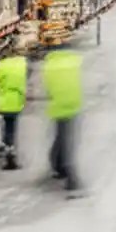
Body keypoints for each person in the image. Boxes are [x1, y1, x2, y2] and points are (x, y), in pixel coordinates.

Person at [43, 47, 85, 196]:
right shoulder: (73, 62)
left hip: (59, 107)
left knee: (62, 137)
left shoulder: (50, 66)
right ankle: (69, 175)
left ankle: (58, 166)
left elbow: (49, 88)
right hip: (73, 104)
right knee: (67, 140)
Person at [0, 44, 28, 170]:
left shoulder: (2, 67)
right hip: (16, 101)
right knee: (12, 127)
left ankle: (6, 145)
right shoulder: (21, 66)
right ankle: (10, 151)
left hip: (4, 102)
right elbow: (23, 84)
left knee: (6, 124)